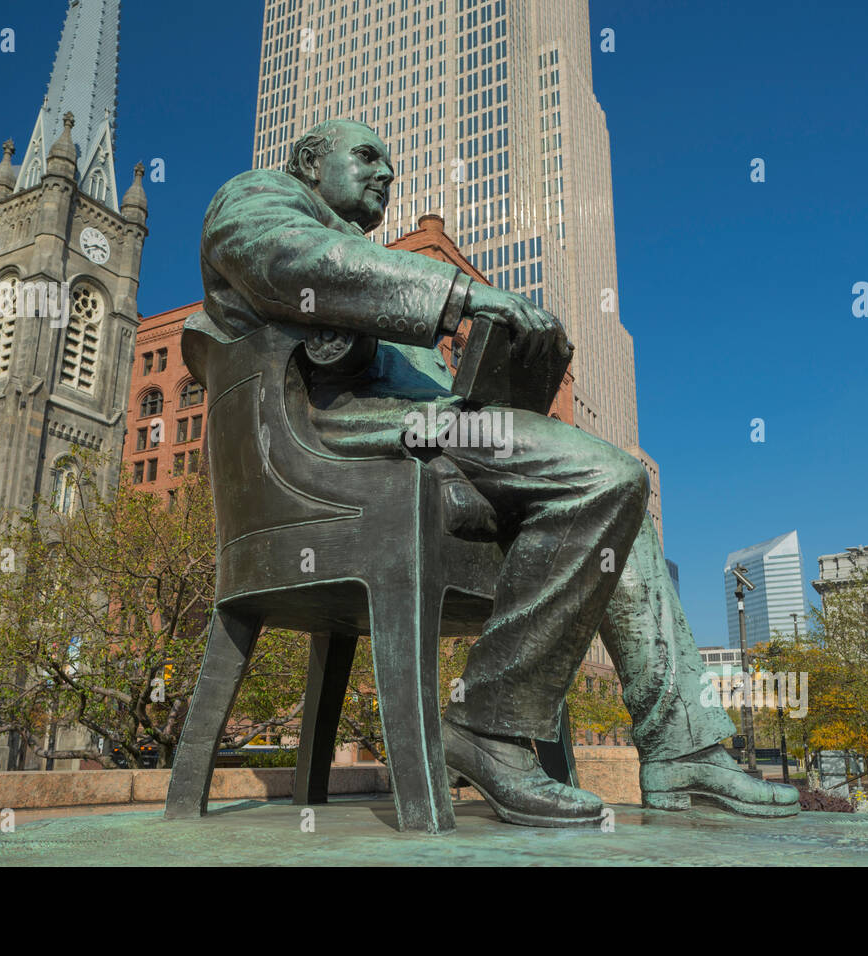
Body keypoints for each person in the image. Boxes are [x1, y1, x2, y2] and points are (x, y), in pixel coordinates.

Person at [198, 119, 798, 826]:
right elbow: (292, 260)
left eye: (391, 164)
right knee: (602, 476)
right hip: (326, 451)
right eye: (366, 156)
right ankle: (485, 727)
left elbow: (447, 404)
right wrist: (466, 297)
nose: (385, 173)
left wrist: (516, 374)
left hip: (424, 439)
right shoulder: (256, 199)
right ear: (307, 162)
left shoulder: (379, 268)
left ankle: (683, 752)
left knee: (618, 495)